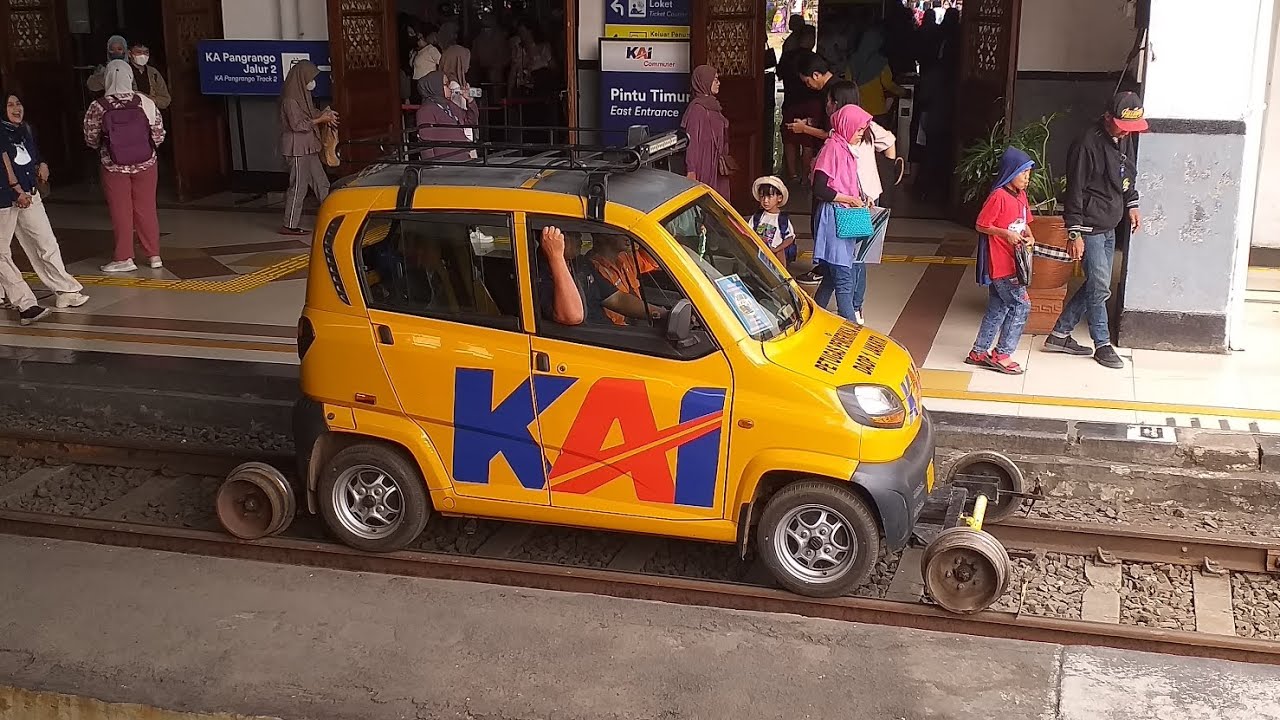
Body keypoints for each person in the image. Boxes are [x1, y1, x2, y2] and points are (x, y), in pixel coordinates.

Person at [1043, 92, 1147, 369]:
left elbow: (1128, 174)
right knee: (1100, 286)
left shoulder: (1124, 139)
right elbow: (1074, 190)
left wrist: (1131, 204)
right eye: (1122, 126)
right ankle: (1102, 344)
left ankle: (1059, 334)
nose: (1127, 133)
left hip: (1110, 222)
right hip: (1089, 225)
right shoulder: (1086, 144)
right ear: (1107, 118)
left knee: (1096, 285)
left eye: (1131, 129)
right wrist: (1074, 232)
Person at [1, 91, 89, 315]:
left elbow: (32, 154)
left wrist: (41, 164)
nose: (16, 108)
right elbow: (4, 165)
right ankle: (24, 302)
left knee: (45, 242)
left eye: (18, 103)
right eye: (9, 105)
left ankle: (65, 290)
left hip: (29, 195)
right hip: (6, 197)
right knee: (1, 253)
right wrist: (15, 189)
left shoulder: (24, 129)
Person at [83, 59, 167, 273]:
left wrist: (107, 149)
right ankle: (154, 255)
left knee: (121, 210)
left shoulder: (98, 106)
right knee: (147, 208)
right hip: (147, 163)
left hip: (113, 165)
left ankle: (124, 258)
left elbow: (91, 137)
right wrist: (144, 149)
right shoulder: (145, 101)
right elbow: (158, 134)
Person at [966, 147, 1035, 375]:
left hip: (1014, 261)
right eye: (1023, 173)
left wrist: (1028, 235)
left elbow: (1024, 222)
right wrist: (1005, 234)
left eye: (1029, 174)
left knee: (999, 306)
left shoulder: (1020, 195)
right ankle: (1002, 353)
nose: (1027, 178)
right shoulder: (998, 196)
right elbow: (981, 224)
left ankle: (979, 351)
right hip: (1001, 264)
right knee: (1021, 305)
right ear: (1010, 172)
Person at [811, 104, 875, 324]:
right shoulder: (832, 149)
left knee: (830, 276)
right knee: (844, 279)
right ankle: (852, 331)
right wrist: (849, 199)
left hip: (841, 218)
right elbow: (820, 189)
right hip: (834, 219)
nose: (860, 135)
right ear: (847, 126)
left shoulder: (844, 149)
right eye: (859, 130)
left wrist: (860, 197)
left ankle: (812, 319)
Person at [278, 61, 338, 236]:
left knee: (321, 183)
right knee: (298, 186)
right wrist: (320, 120)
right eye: (310, 78)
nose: (313, 82)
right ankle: (289, 224)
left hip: (309, 146)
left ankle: (333, 217)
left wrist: (325, 114)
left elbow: (311, 112)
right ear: (301, 78)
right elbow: (297, 125)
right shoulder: (290, 99)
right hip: (296, 148)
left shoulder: (302, 95)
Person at [586, 233, 668, 325]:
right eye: (618, 233)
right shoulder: (593, 270)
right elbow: (617, 303)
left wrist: (642, 236)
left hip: (641, 322)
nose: (627, 236)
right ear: (602, 236)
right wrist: (661, 313)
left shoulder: (626, 258)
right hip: (621, 331)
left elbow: (655, 259)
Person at [777, 25, 821, 183]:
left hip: (790, 101)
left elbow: (779, 74)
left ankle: (793, 175)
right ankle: (805, 177)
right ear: (809, 39)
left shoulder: (788, 57)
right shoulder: (814, 59)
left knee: (790, 139)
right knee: (808, 140)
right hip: (811, 103)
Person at [682, 65, 731, 200]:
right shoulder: (697, 109)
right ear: (705, 81)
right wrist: (691, 170)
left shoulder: (714, 105)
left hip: (717, 164)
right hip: (704, 164)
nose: (718, 83)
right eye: (715, 80)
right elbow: (692, 143)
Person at [415, 71, 478, 160]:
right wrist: (430, 166)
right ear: (436, 87)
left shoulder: (449, 105)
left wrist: (470, 101)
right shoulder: (426, 110)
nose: (450, 88)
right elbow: (426, 143)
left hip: (463, 159)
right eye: (446, 84)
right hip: (445, 165)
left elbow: (470, 122)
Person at [850, 28, 904, 128]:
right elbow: (888, 84)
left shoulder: (852, 61)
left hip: (859, 109)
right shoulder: (881, 62)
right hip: (878, 110)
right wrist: (902, 91)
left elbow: (848, 84)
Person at [750, 176, 797, 265]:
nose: (765, 201)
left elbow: (790, 238)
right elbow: (748, 232)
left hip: (776, 257)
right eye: (762, 197)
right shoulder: (757, 217)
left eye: (770, 197)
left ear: (779, 198)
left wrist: (777, 249)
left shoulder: (782, 220)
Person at [440, 45, 478, 154]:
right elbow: (461, 117)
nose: (468, 65)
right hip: (462, 140)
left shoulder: (445, 83)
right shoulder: (454, 86)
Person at [125, 43, 171, 110]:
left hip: (152, 112)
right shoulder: (124, 71)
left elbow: (166, 99)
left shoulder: (153, 73)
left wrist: (151, 99)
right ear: (129, 54)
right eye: (138, 52)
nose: (143, 55)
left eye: (146, 52)